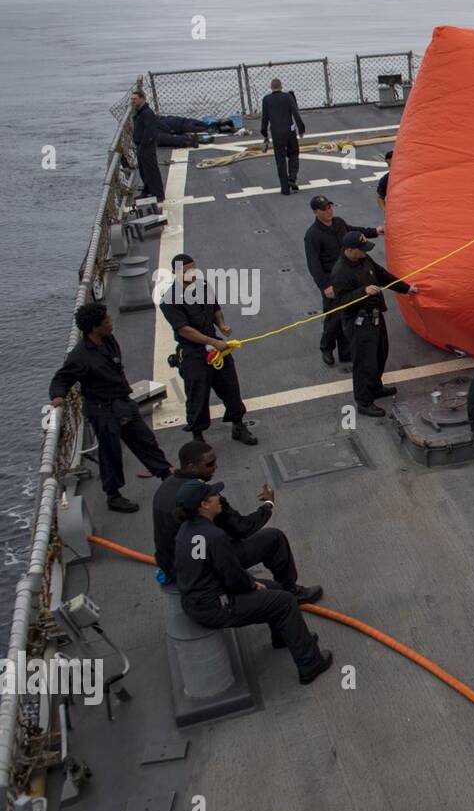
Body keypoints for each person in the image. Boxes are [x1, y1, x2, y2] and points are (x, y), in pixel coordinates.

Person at [173, 479, 333, 685]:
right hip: (216, 606)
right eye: (214, 495)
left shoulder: (186, 530)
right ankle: (310, 665)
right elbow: (232, 575)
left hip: (198, 599)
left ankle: (284, 637)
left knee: (274, 588)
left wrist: (250, 584)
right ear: (204, 505)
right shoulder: (214, 536)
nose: (219, 498)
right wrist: (251, 585)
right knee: (284, 602)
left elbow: (212, 568)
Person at [153, 441, 322, 604]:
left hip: (171, 564)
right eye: (210, 464)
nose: (215, 467)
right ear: (191, 467)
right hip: (200, 572)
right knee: (274, 539)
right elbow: (241, 528)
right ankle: (291, 591)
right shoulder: (204, 496)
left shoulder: (165, 486)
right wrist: (268, 505)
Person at [49, 303, 172, 513]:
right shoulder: (80, 356)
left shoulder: (108, 340)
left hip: (122, 402)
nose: (111, 322)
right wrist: (58, 397)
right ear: (94, 327)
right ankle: (113, 495)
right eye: (106, 321)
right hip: (102, 409)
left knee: (145, 440)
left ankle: (166, 476)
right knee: (110, 454)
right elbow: (62, 378)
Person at [160, 253, 258, 445]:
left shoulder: (203, 287)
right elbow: (185, 330)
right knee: (197, 393)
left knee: (230, 386)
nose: (192, 274)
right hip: (192, 351)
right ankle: (198, 436)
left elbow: (215, 310)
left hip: (214, 344)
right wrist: (214, 343)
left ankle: (238, 424)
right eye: (186, 271)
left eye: (193, 269)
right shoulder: (169, 300)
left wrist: (222, 326)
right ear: (175, 273)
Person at [330, 231, 417, 416]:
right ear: (350, 250)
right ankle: (363, 401)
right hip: (359, 323)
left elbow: (382, 275)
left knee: (379, 353)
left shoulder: (364, 259)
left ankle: (375, 386)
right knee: (363, 362)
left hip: (376, 316)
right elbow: (340, 303)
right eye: (361, 250)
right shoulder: (340, 273)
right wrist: (363, 291)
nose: (364, 252)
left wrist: (406, 287)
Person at [304, 196, 385, 366]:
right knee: (333, 318)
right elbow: (314, 264)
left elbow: (354, 232)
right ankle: (326, 347)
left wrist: (374, 231)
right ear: (315, 212)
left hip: (346, 276)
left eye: (330, 206)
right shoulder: (312, 235)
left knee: (349, 313)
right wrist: (325, 286)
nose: (329, 211)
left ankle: (345, 351)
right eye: (324, 208)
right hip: (331, 281)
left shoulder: (339, 223)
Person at [260, 78, 307, 195]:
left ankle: (285, 188)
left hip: (276, 134)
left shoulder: (266, 100)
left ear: (271, 88)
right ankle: (292, 178)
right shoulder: (288, 97)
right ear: (281, 87)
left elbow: (264, 119)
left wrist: (265, 134)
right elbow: (296, 114)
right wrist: (301, 129)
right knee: (294, 154)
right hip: (289, 132)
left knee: (280, 160)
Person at [128, 91, 166, 201]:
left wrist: (144, 144)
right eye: (132, 99)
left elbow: (150, 131)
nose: (133, 101)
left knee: (152, 169)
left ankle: (159, 194)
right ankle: (147, 189)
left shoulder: (147, 113)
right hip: (140, 145)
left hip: (146, 146)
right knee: (143, 170)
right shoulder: (139, 112)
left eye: (134, 99)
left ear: (142, 98)